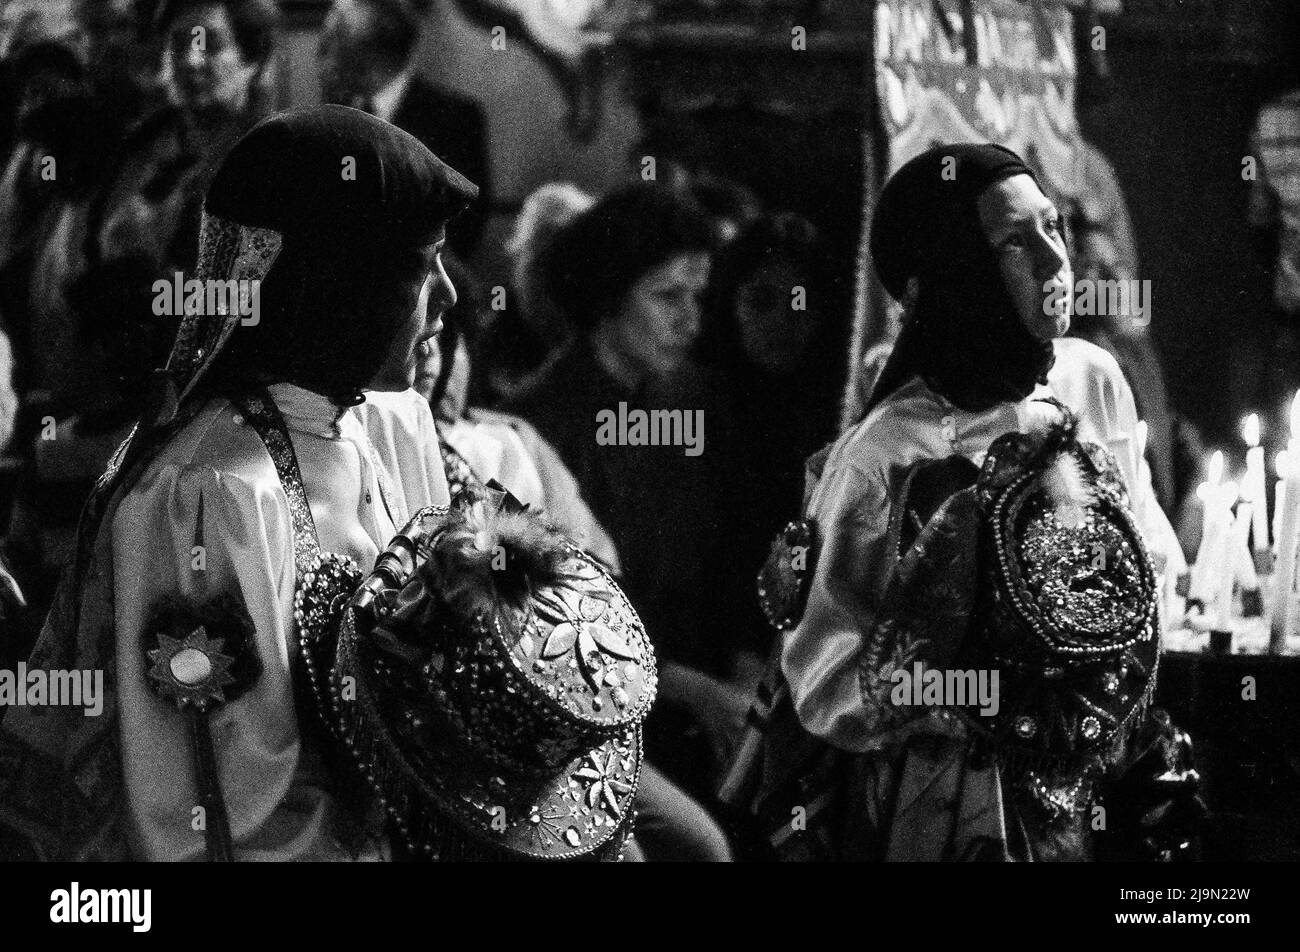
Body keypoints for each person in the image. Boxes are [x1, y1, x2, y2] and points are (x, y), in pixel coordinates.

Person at [0, 105, 475, 861]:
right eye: (422, 266)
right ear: (337, 281)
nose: (450, 297)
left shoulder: (394, 428)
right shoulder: (208, 493)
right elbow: (209, 799)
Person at [769, 144, 1189, 860]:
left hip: (1092, 777)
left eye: (1053, 228)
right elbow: (822, 677)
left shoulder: (1092, 381)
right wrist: (980, 700)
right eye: (1015, 242)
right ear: (956, 271)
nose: (1058, 263)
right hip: (952, 802)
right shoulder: (887, 455)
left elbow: (1147, 564)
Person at [318, 0, 489, 256]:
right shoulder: (332, 116)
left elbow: (466, 221)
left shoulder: (455, 118)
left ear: (367, 55)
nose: (320, 56)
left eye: (331, 43)